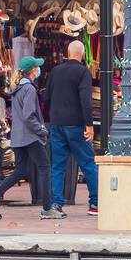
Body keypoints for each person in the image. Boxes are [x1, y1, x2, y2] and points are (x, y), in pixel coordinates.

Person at [0, 57, 60, 219]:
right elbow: (29, 116)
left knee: (20, 171)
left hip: (18, 136)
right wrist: (42, 130)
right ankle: (47, 208)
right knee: (45, 168)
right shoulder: (29, 89)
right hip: (30, 136)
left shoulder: (17, 88)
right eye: (36, 67)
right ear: (32, 70)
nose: (39, 69)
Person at [45, 40, 98, 216]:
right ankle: (95, 203)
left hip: (57, 124)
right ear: (82, 54)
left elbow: (47, 98)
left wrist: (52, 118)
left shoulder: (55, 71)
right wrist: (89, 125)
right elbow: (85, 100)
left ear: (68, 53)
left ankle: (56, 205)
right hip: (76, 125)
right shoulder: (83, 72)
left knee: (58, 166)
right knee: (88, 163)